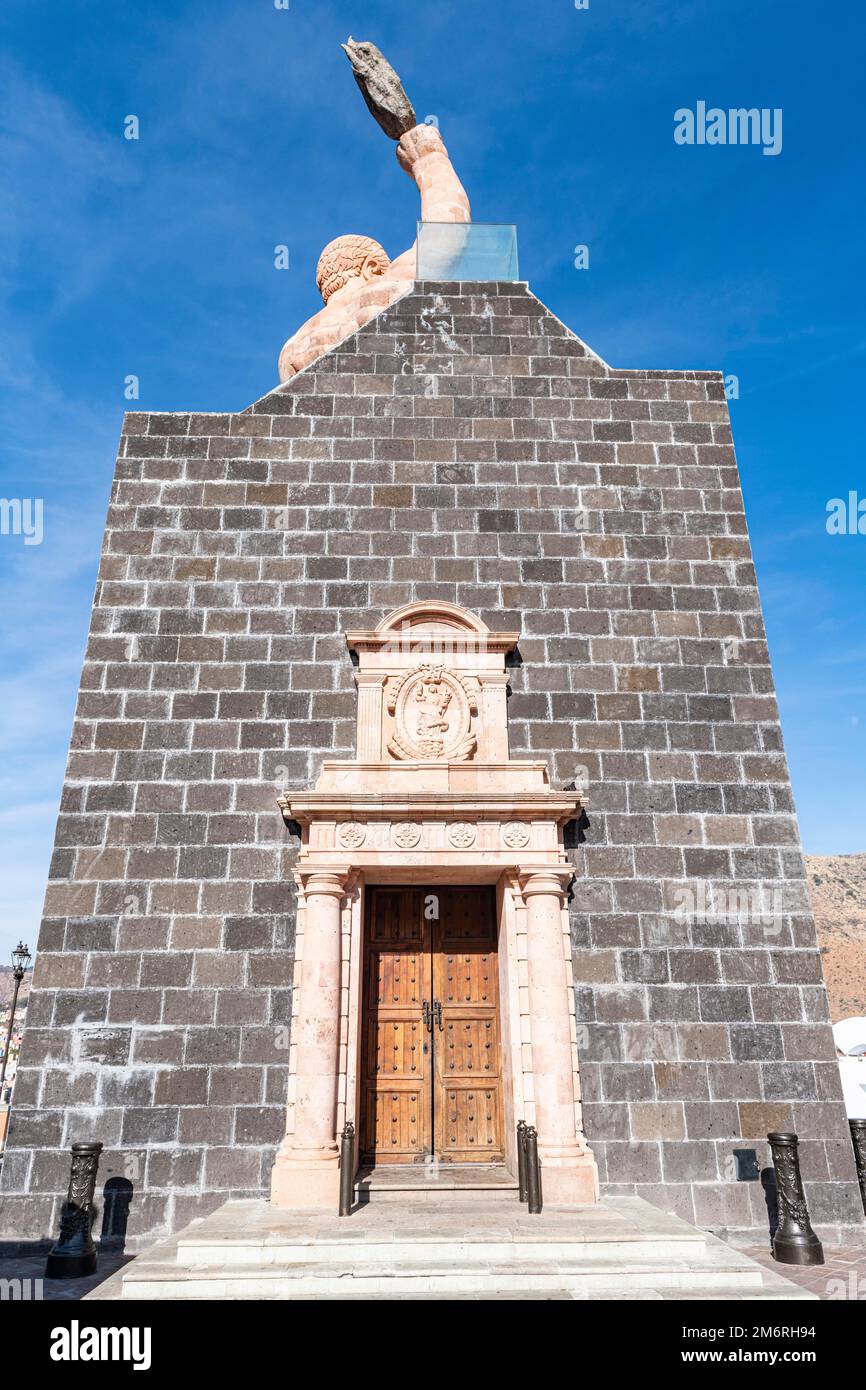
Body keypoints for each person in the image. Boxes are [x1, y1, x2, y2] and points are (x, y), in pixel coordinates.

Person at [278, 124, 470, 381]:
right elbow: (446, 238)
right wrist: (428, 158)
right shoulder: (381, 289)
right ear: (371, 267)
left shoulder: (292, 347)